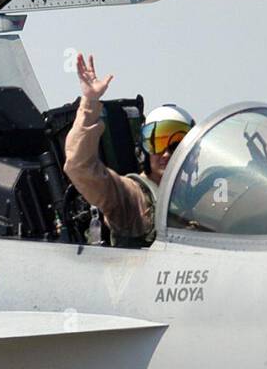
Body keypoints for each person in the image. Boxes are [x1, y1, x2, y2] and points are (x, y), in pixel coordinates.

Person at [63, 53, 194, 247]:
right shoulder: (130, 197)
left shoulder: (202, 197)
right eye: (156, 143)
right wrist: (90, 103)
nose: (166, 153)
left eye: (176, 145)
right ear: (144, 150)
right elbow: (79, 166)